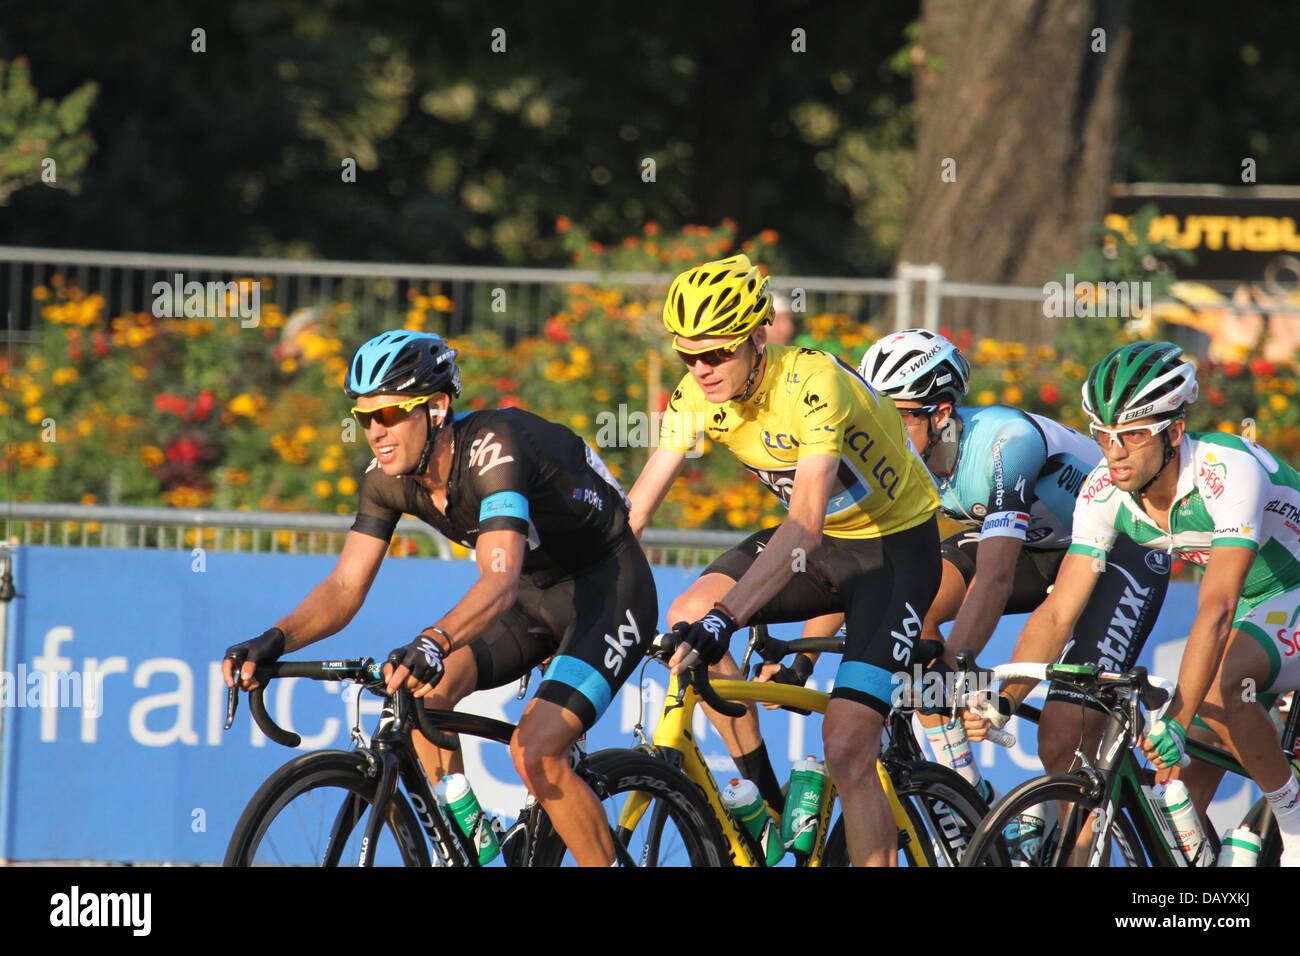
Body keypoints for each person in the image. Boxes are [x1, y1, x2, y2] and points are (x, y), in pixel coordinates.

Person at [223, 329, 658, 866]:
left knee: (535, 750)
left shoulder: (495, 451)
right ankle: (473, 849)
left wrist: (433, 640)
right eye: (365, 418)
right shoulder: (386, 480)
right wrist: (275, 639)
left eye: (389, 415)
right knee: (421, 698)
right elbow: (344, 587)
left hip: (607, 588)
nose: (375, 432)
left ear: (436, 407)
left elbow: (497, 581)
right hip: (529, 595)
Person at [626, 254, 942, 866]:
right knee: (689, 610)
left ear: (758, 337)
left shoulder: (814, 383)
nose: (700, 368)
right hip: (823, 547)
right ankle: (770, 809)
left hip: (893, 550)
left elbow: (803, 530)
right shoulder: (695, 393)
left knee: (848, 744)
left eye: (716, 353)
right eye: (687, 354)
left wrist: (728, 617)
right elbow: (637, 508)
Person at [767, 330, 1169, 806]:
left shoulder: (1006, 442)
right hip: (1035, 545)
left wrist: (956, 671)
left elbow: (994, 578)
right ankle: (967, 793)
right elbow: (865, 567)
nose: (882, 431)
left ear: (940, 413)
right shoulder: (894, 458)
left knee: (1061, 739)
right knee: (906, 609)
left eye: (896, 417)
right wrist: (800, 666)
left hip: (1117, 552)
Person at [965, 341, 1300, 866]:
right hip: (1256, 601)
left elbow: (1217, 608)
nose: (1113, 452)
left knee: (1222, 683)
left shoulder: (1226, 470)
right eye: (1102, 434)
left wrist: (1176, 716)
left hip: (1290, 588)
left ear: (1173, 432)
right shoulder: (1103, 489)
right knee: (1176, 798)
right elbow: (1059, 611)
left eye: (1131, 436)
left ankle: (1295, 825)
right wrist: (1004, 697)